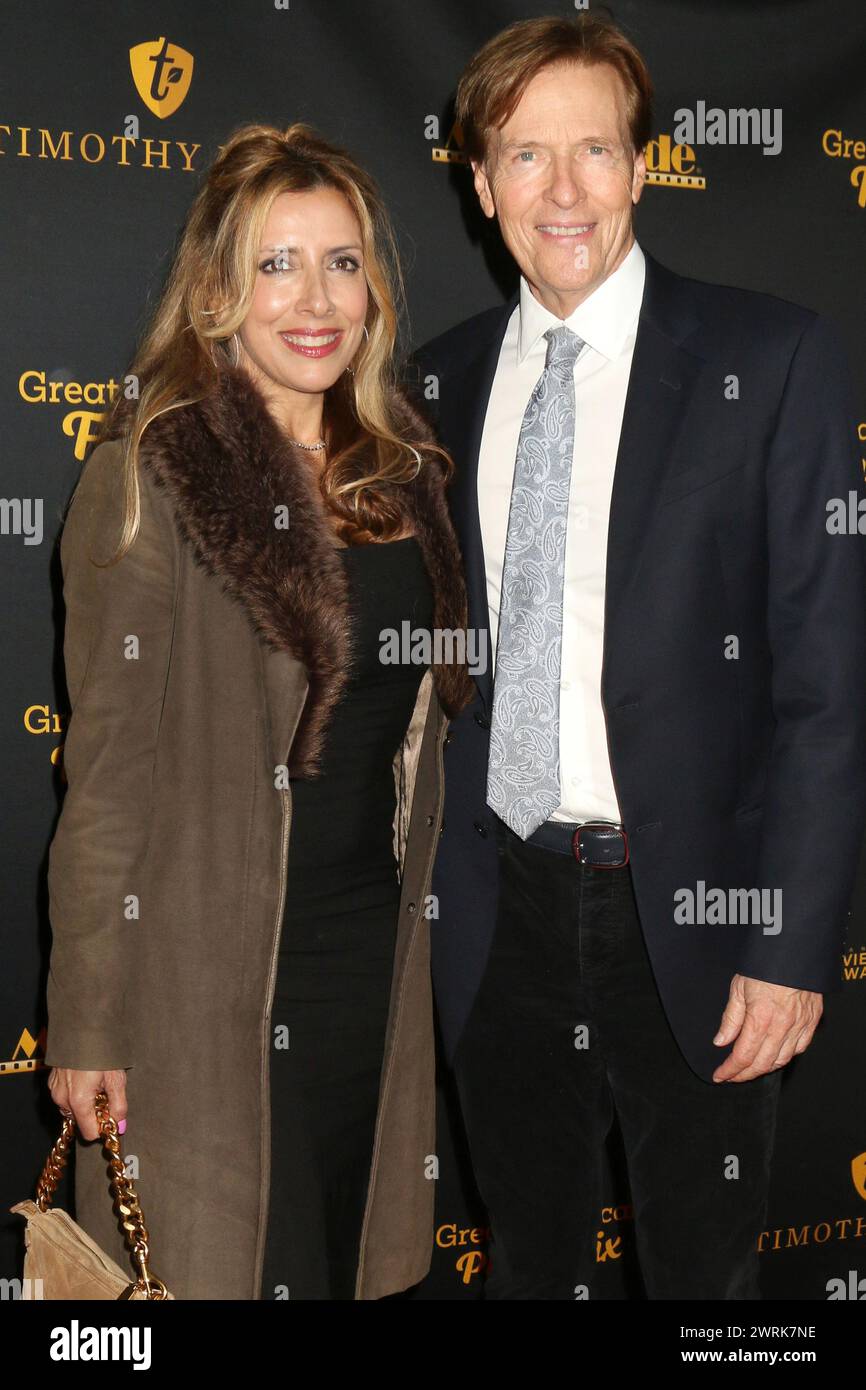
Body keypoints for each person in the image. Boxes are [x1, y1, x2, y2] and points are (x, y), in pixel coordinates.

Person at [407, 14, 866, 1299]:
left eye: (595, 151)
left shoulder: (768, 359)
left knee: (703, 1275)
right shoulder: (428, 390)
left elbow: (828, 691)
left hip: (702, 919)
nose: (563, 192)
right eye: (525, 156)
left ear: (643, 167)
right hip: (497, 912)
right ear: (479, 180)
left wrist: (784, 941)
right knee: (528, 1260)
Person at [44, 120, 474, 1300]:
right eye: (274, 263)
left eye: (340, 260)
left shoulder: (409, 475)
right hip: (200, 972)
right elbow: (108, 774)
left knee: (341, 1261)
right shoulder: (154, 473)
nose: (314, 296)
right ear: (217, 291)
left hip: (372, 971)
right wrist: (87, 1016)